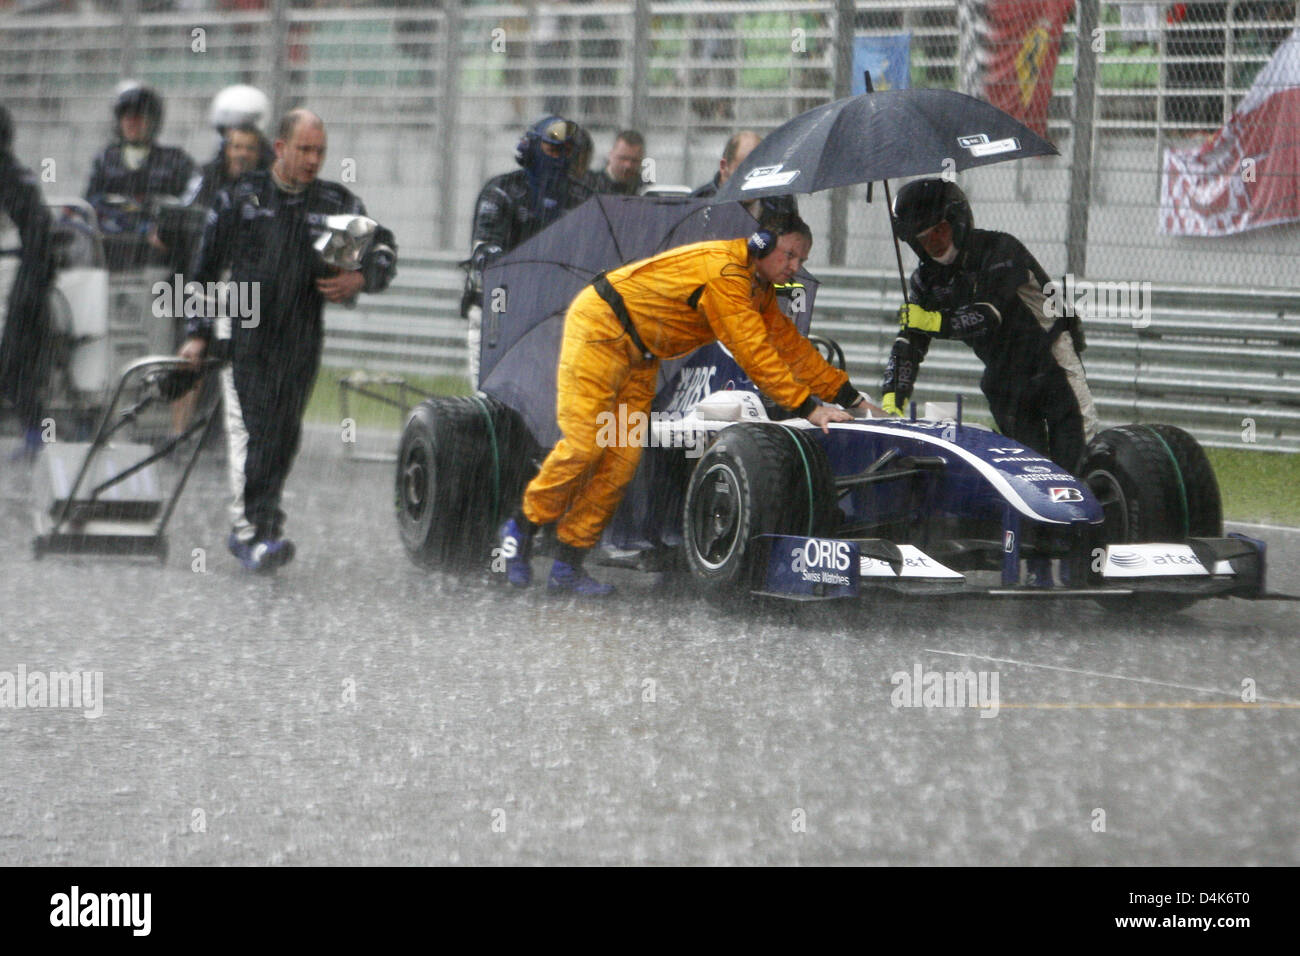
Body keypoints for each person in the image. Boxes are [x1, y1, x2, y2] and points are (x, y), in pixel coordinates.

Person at [497, 216, 878, 596]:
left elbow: (791, 350)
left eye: (801, 260)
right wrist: (808, 407)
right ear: (762, 242)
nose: (795, 267)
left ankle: (567, 566)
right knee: (587, 445)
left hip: (641, 357)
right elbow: (755, 354)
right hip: (601, 328)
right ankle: (518, 531)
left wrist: (852, 398)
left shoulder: (756, 290)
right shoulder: (726, 275)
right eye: (790, 254)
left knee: (621, 460)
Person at [178, 109, 397, 573]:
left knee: (283, 434)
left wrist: (359, 279)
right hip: (247, 330)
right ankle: (255, 532)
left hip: (301, 335)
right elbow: (200, 273)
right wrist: (196, 334)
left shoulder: (333, 202)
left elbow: (383, 247)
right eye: (304, 150)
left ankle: (264, 525)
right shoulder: (240, 197)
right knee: (256, 431)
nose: (313, 159)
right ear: (280, 149)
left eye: (319, 151)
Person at [883, 179, 1098, 588]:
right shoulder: (926, 282)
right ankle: (1036, 566)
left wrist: (931, 321)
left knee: (1073, 464)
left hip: (1052, 361)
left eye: (939, 231)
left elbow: (987, 315)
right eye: (922, 237)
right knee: (1027, 474)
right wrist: (893, 396)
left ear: (957, 221)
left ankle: (1082, 562)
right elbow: (909, 344)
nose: (933, 243)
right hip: (1005, 376)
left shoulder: (1001, 250)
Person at [461, 115, 590, 387]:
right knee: (495, 399)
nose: (560, 157)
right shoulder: (502, 191)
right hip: (498, 310)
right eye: (553, 149)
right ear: (529, 149)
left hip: (556, 316)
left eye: (566, 151)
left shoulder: (582, 199)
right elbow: (486, 251)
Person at [83, 84, 195, 270]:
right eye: (127, 117)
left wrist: (165, 227)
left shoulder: (175, 160)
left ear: (153, 122)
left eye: (139, 117)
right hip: (110, 250)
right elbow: (90, 202)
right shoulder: (105, 159)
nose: (132, 123)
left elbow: (189, 204)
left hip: (157, 256)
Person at [0, 104, 55, 460]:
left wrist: (29, 288)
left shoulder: (8, 173)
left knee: (14, 364)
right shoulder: (13, 171)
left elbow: (37, 231)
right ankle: (38, 434)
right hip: (30, 274)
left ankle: (39, 436)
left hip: (28, 276)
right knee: (15, 365)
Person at [689, 129, 760, 198]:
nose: (751, 178)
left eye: (759, 172)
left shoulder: (768, 202)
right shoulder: (698, 204)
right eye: (743, 170)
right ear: (724, 166)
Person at [591, 129, 645, 196]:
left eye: (634, 161)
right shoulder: (590, 184)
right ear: (610, 155)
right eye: (623, 158)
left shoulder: (645, 189)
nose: (628, 165)